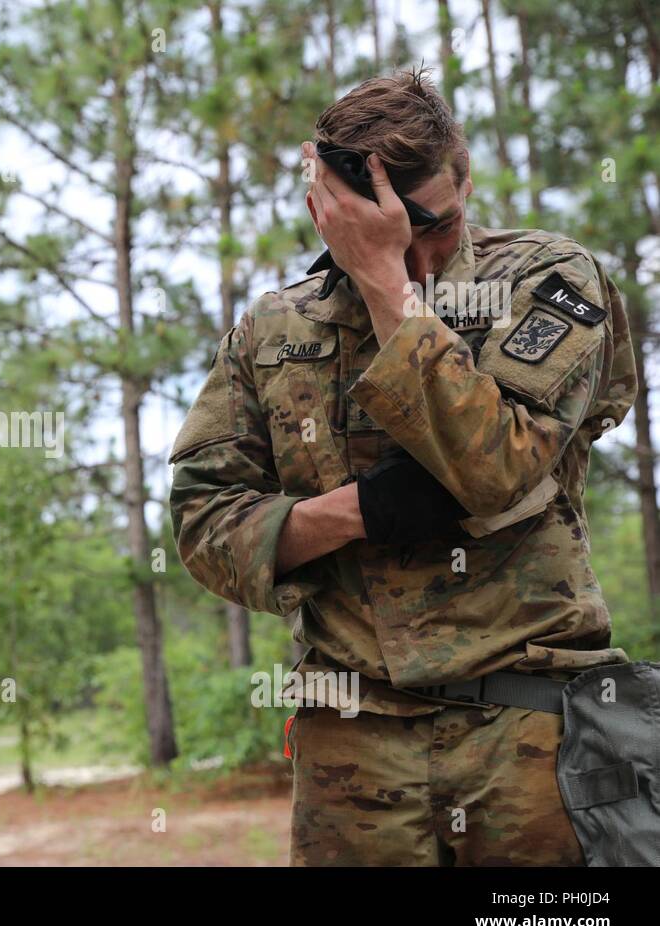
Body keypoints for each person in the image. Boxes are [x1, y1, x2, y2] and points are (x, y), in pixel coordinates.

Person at [169, 68, 637, 866]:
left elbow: (491, 466)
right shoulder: (274, 328)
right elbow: (202, 523)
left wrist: (385, 284)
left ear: (465, 174)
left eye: (437, 226)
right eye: (388, 233)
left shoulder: (548, 281)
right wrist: (359, 511)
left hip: (527, 730)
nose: (418, 258)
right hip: (349, 747)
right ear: (329, 206)